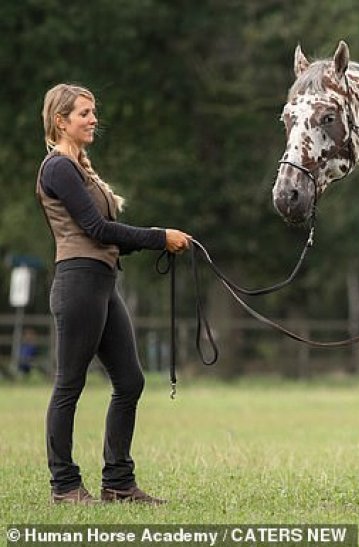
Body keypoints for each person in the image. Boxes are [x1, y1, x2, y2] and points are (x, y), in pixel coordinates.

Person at [37, 83, 192, 505]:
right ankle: (65, 486)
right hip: (79, 284)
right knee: (69, 385)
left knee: (130, 380)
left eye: (93, 112)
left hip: (101, 282)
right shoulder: (58, 169)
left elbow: (107, 238)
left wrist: (164, 242)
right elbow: (96, 230)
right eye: (84, 113)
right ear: (61, 121)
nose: (92, 119)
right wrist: (159, 237)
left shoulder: (81, 170)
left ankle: (118, 483)